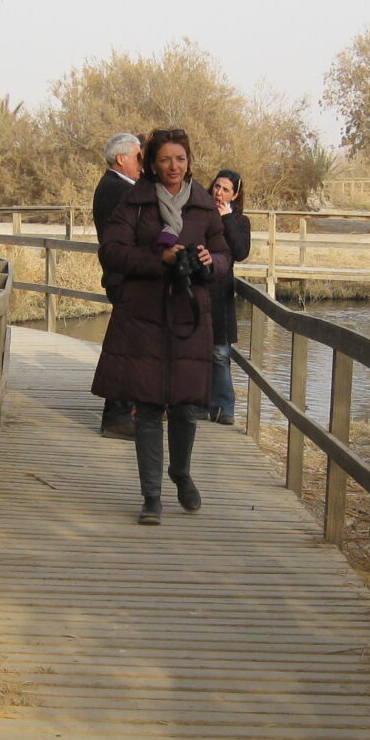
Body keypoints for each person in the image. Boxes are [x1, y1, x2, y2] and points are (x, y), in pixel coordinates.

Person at [91, 128, 230, 524]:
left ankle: (181, 472)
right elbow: (111, 251)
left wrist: (208, 261)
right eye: (166, 159)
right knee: (149, 408)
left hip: (190, 317)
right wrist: (160, 259)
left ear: (189, 162)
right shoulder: (133, 203)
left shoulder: (203, 206)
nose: (174, 167)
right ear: (152, 163)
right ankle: (151, 496)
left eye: (181, 159)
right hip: (144, 318)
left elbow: (225, 255)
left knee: (186, 408)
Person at [91, 132, 143, 439]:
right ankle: (117, 415)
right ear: (121, 159)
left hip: (125, 277)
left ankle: (126, 409)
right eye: (138, 156)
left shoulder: (119, 187)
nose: (142, 163)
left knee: (130, 347)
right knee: (125, 348)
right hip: (124, 278)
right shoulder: (117, 190)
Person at [205, 169, 251, 424]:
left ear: (235, 195)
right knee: (198, 349)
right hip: (198, 287)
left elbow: (241, 252)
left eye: (225, 190)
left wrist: (228, 219)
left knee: (220, 353)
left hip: (221, 292)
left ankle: (225, 408)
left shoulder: (240, 221)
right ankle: (200, 404)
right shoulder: (200, 212)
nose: (218, 193)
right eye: (216, 187)